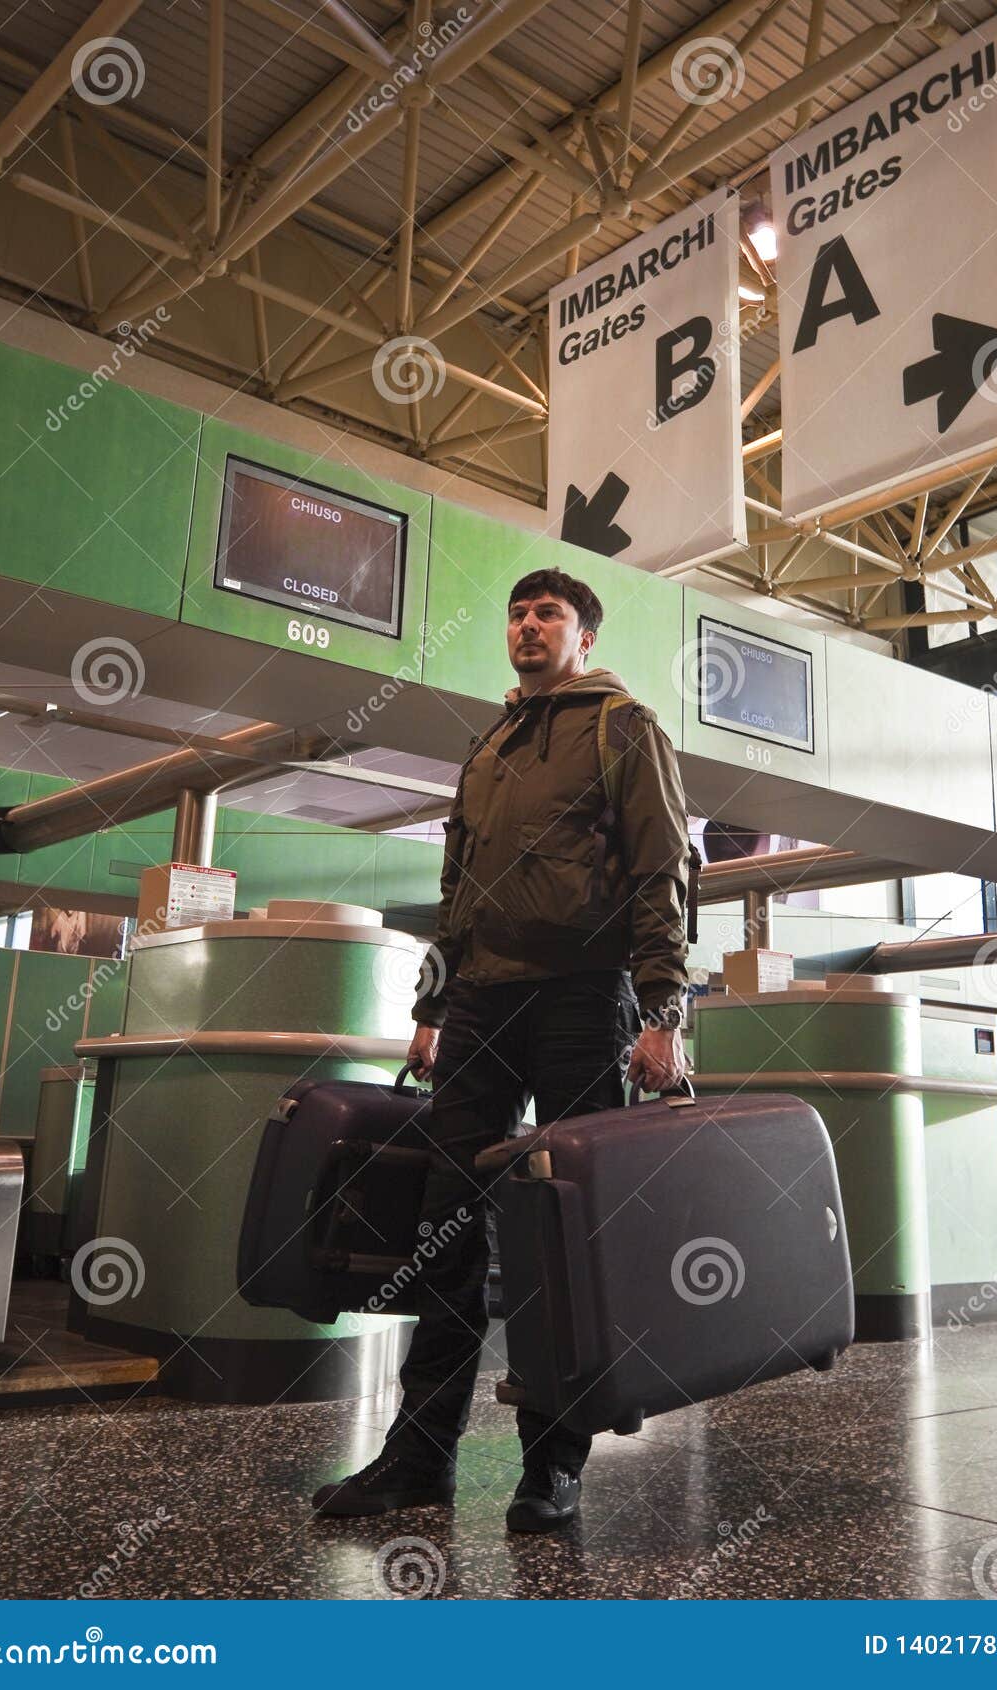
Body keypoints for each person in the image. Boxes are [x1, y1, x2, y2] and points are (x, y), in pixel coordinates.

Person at [313, 567, 692, 1532]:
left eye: (549, 614)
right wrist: (431, 1007)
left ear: (584, 638)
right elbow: (459, 881)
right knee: (444, 1229)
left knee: (562, 1233)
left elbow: (660, 871)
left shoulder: (624, 728)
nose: (528, 625)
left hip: (582, 1000)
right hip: (480, 1002)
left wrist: (662, 1011)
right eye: (518, 613)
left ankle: (552, 1466)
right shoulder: (489, 745)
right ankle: (419, 1460)